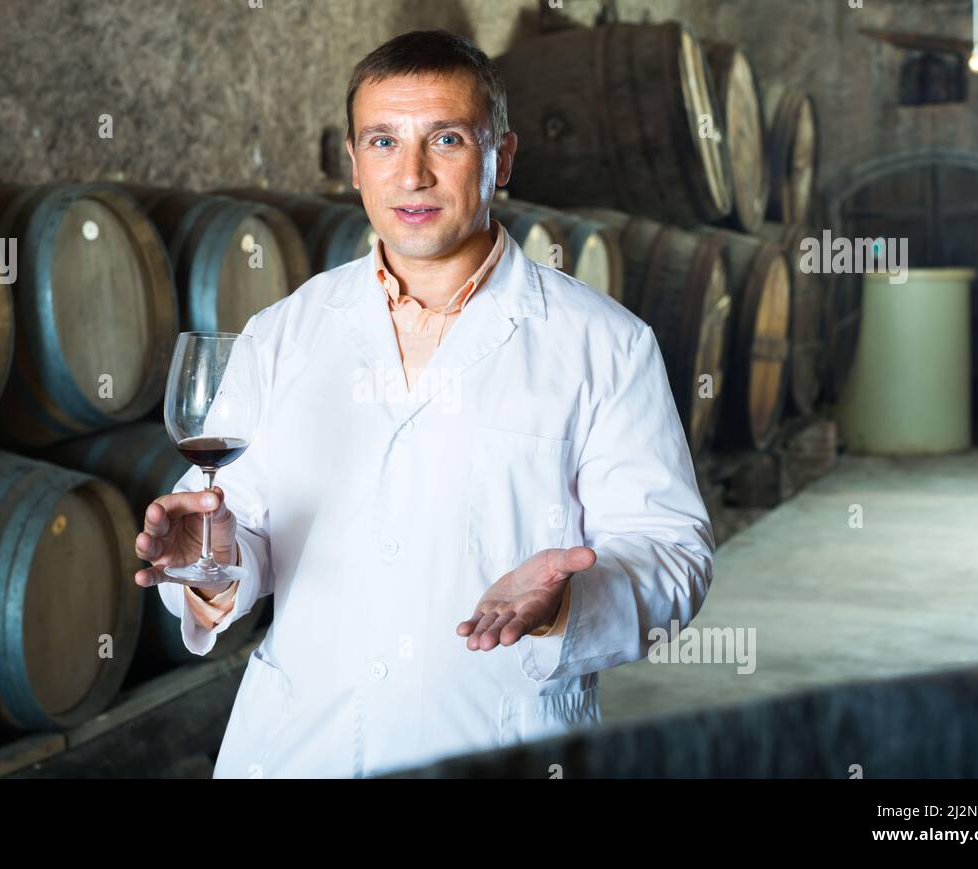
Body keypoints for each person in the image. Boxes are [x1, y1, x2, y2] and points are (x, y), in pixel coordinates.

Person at [133, 29, 714, 779]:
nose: (411, 174)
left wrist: (570, 605)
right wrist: (208, 561)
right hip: (296, 747)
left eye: (445, 138)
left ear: (502, 157)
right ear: (353, 162)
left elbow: (673, 553)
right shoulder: (285, 331)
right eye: (382, 141)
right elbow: (240, 528)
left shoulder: (606, 344)